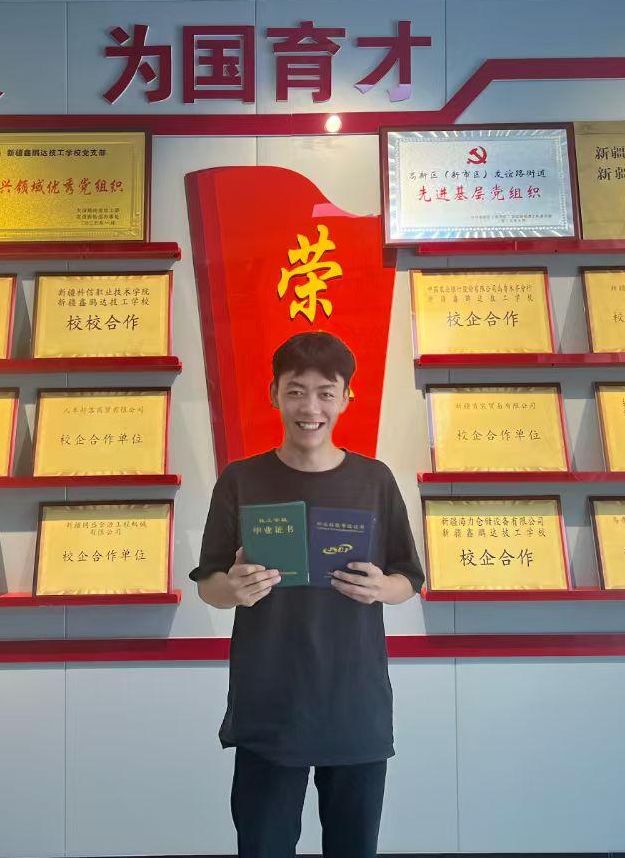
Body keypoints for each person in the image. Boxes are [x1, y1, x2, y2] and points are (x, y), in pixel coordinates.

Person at [190, 330, 426, 858]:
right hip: (271, 702)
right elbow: (209, 583)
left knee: (353, 848)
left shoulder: (374, 480)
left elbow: (409, 578)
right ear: (274, 394)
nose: (310, 407)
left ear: (346, 399)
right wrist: (234, 588)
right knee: (264, 847)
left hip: (354, 701)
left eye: (325, 393)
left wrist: (380, 588)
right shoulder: (241, 480)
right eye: (296, 391)